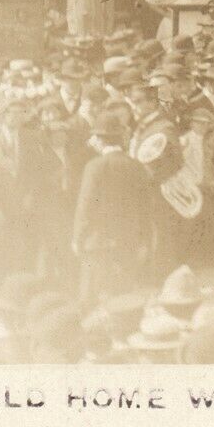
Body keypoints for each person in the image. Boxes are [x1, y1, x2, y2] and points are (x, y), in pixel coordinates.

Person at [71, 106, 153, 304]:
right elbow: (146, 208)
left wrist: (77, 238)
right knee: (123, 297)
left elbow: (85, 207)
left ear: (100, 140)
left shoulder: (94, 167)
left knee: (91, 298)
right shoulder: (136, 166)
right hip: (128, 240)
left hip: (98, 242)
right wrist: (145, 240)